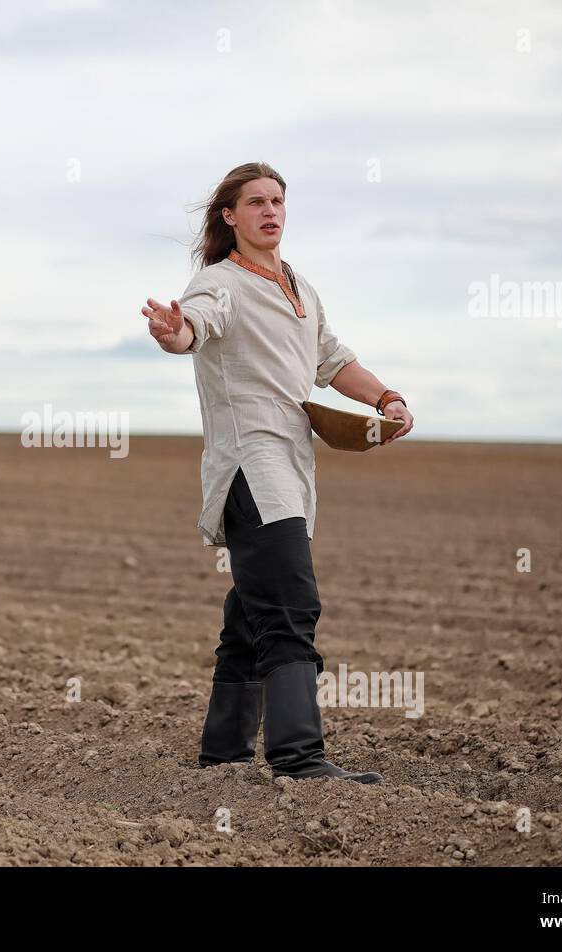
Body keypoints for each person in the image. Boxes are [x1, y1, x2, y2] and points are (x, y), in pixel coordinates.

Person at [141, 162, 414, 784]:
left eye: (279, 201)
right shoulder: (219, 283)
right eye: (256, 202)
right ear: (229, 216)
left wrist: (385, 399)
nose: (270, 211)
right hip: (250, 468)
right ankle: (299, 756)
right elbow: (192, 327)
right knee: (292, 604)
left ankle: (224, 752)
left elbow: (333, 359)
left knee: (251, 614)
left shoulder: (299, 287)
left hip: (291, 469)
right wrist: (172, 330)